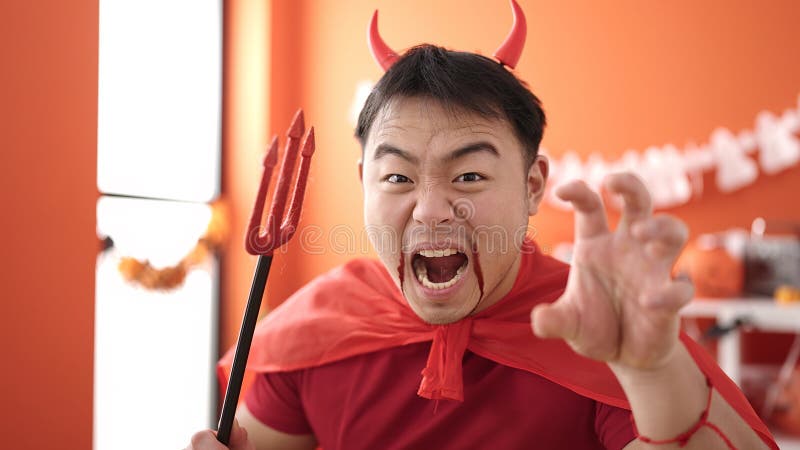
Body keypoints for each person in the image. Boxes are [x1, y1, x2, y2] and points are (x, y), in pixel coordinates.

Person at [187, 4, 777, 449]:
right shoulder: (312, 331)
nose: (430, 210)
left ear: (532, 186)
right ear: (363, 182)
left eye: (468, 177)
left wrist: (653, 376)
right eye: (397, 179)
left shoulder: (595, 330)